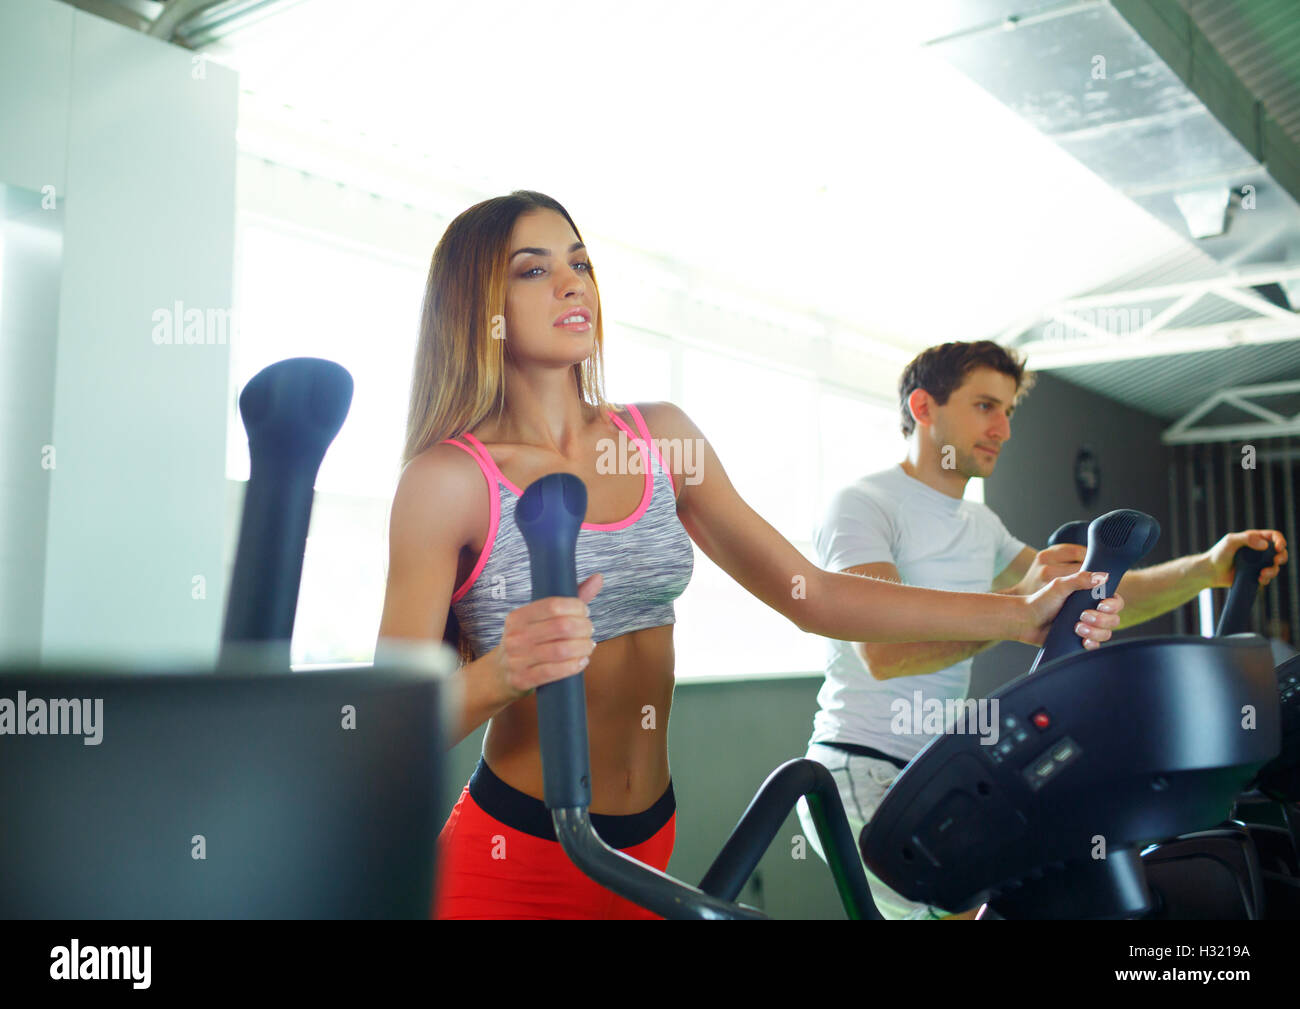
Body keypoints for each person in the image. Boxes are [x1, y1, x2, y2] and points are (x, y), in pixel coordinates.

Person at [376, 194, 1123, 920]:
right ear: (479, 303)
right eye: (533, 269)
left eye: (580, 261)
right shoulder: (449, 482)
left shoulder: (662, 438)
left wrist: (1019, 615)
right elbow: (390, 732)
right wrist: (504, 669)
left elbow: (814, 595)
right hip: (516, 852)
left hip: (643, 846)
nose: (574, 282)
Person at [796, 339, 1291, 920]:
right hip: (862, 764)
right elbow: (884, 652)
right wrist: (1017, 604)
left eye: (1008, 411)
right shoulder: (865, 503)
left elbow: (1086, 599)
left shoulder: (980, 522)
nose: (1002, 429)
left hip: (941, 770)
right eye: (985, 406)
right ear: (924, 407)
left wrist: (1207, 568)